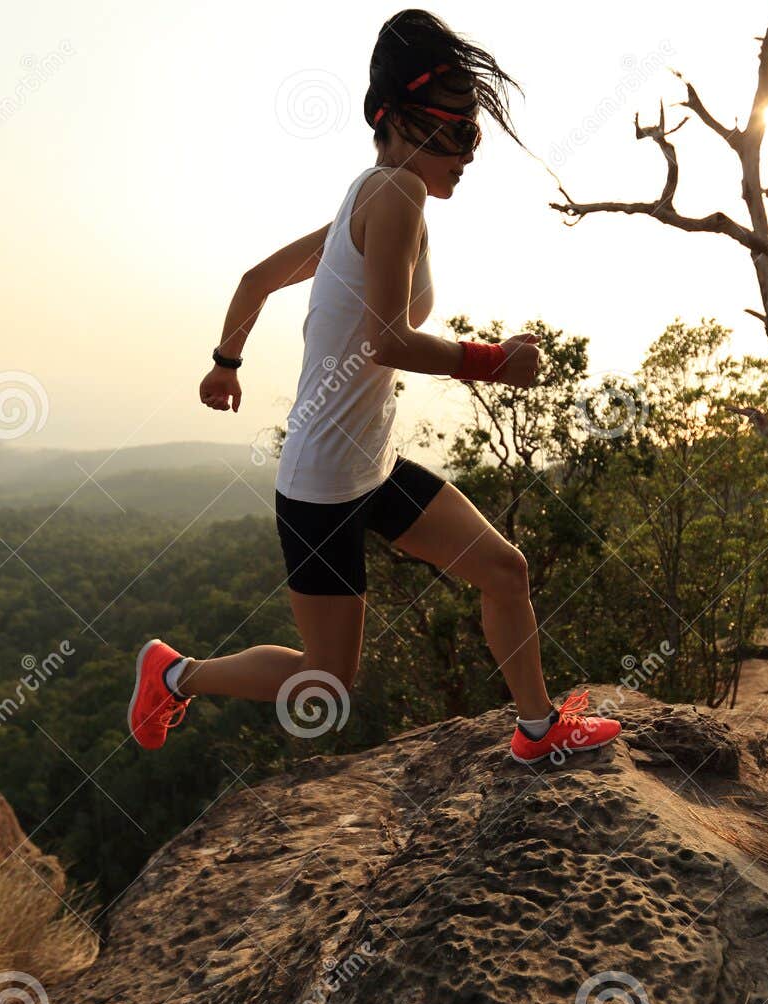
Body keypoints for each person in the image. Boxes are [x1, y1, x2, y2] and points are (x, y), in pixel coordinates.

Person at [128, 9, 619, 764]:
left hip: (373, 466)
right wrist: (495, 361)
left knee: (503, 569)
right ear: (398, 121)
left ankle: (536, 727)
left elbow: (257, 280)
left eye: (474, 132)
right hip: (323, 487)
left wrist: (226, 362)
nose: (468, 150)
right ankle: (176, 673)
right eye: (456, 131)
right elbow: (385, 337)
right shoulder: (391, 196)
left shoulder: (371, 195)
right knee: (327, 675)